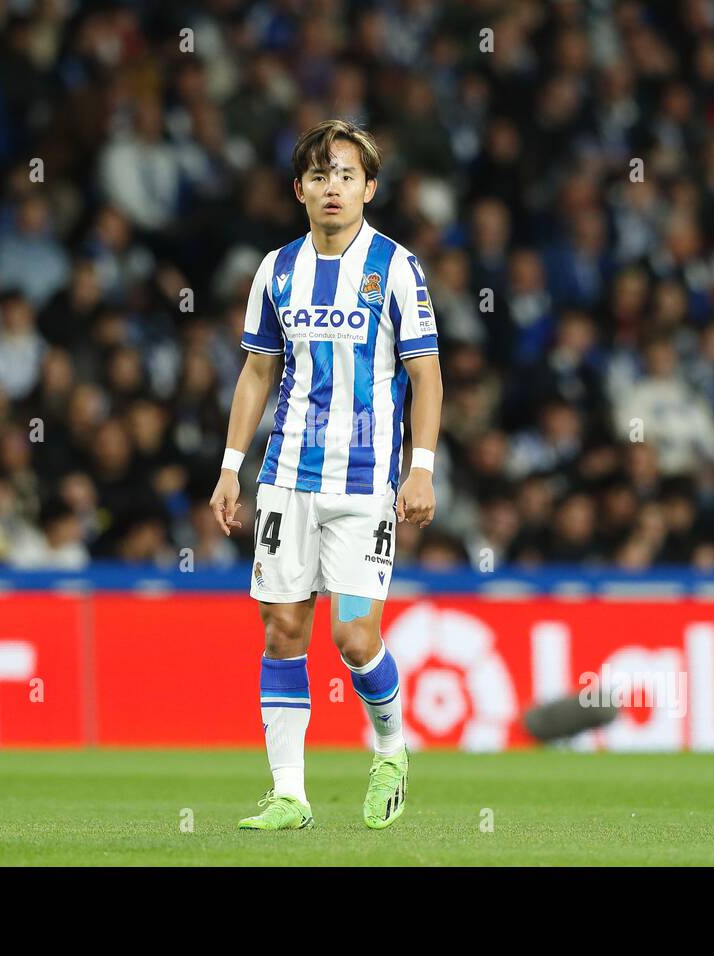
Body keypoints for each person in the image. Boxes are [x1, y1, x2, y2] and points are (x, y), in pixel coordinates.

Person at [208, 120, 443, 831]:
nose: (331, 186)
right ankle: (289, 795)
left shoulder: (396, 267)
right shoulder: (277, 270)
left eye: (345, 175)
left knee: (353, 637)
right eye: (318, 175)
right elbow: (257, 370)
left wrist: (421, 468)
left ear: (369, 188)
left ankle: (393, 749)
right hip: (285, 478)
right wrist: (230, 469)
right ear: (298, 190)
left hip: (366, 478)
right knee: (282, 628)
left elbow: (424, 373)